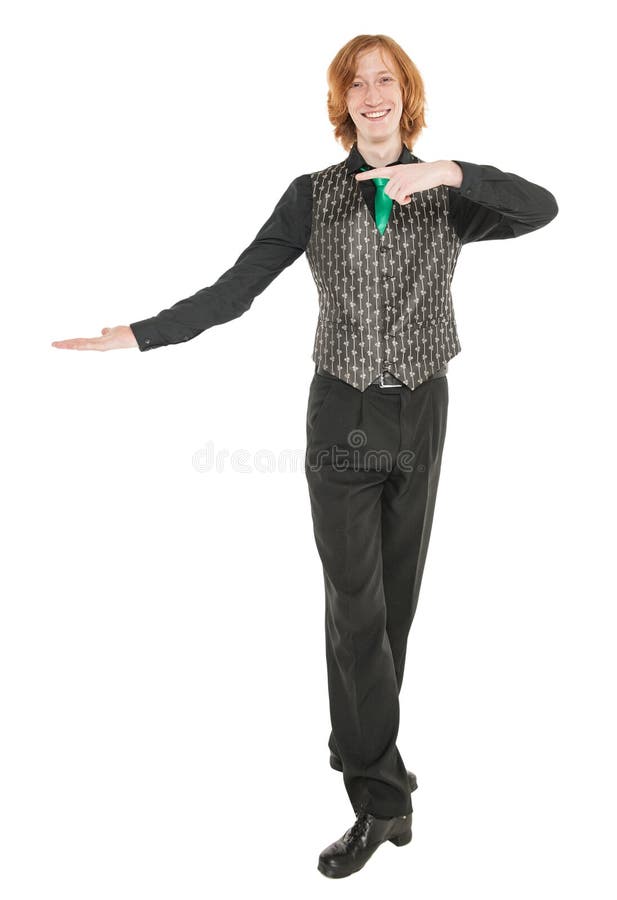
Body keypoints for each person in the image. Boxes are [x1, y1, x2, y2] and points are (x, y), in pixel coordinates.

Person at [51, 33, 559, 878]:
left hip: (424, 409)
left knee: (394, 605)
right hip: (344, 419)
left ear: (406, 94)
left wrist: (451, 173)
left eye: (384, 80)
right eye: (355, 82)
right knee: (354, 609)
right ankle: (379, 799)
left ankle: (377, 755)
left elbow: (541, 208)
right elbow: (234, 289)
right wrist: (139, 335)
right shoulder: (313, 195)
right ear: (341, 100)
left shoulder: (450, 196)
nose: (370, 94)